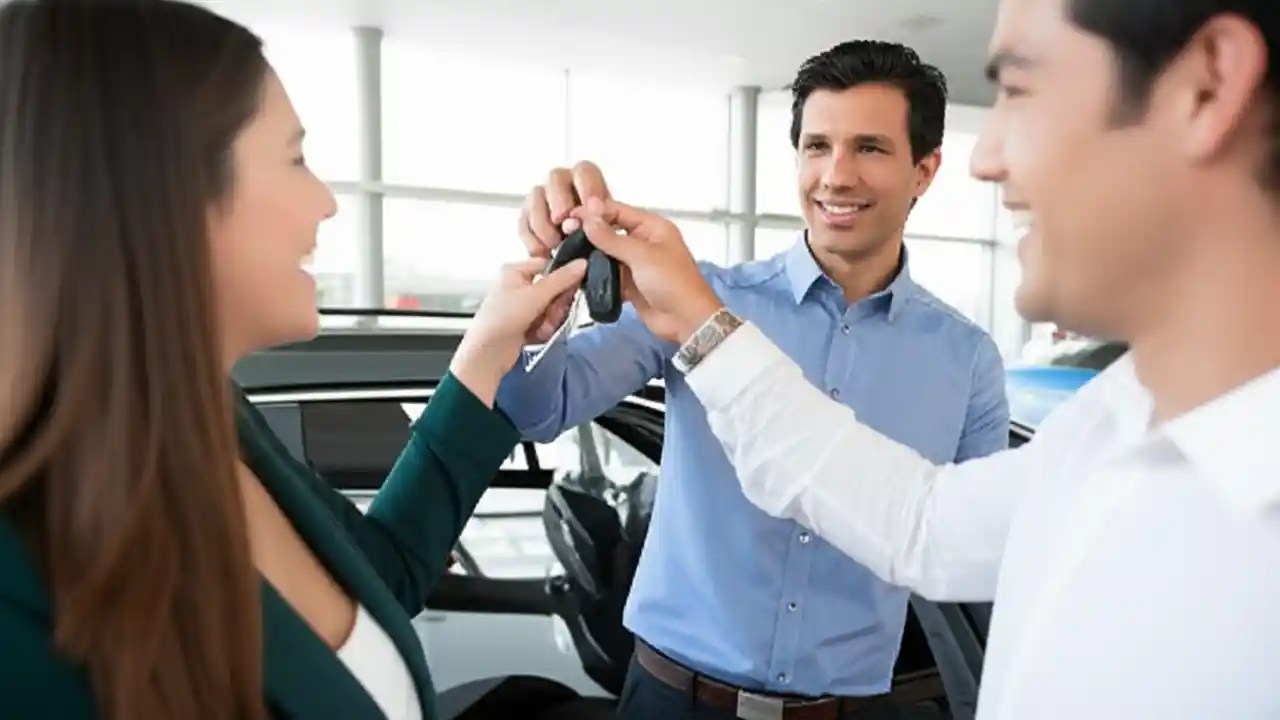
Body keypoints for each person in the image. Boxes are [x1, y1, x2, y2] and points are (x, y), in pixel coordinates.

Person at [566, 0, 1280, 717]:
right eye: (818, 146)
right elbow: (922, 526)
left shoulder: (976, 362)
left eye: (1023, 88)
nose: (987, 155)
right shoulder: (1099, 431)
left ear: (1207, 88)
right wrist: (687, 317)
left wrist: (703, 323)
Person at [0, 2, 586, 719]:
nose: (328, 203)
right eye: (295, 157)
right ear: (164, 189)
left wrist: (486, 354)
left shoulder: (216, 428)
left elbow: (384, 573)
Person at [498, 41, 1009, 719]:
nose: (836, 175)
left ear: (925, 170)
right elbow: (539, 408)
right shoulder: (696, 296)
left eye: (870, 149)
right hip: (670, 702)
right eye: (817, 146)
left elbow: (979, 556)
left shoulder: (967, 359)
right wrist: (548, 302)